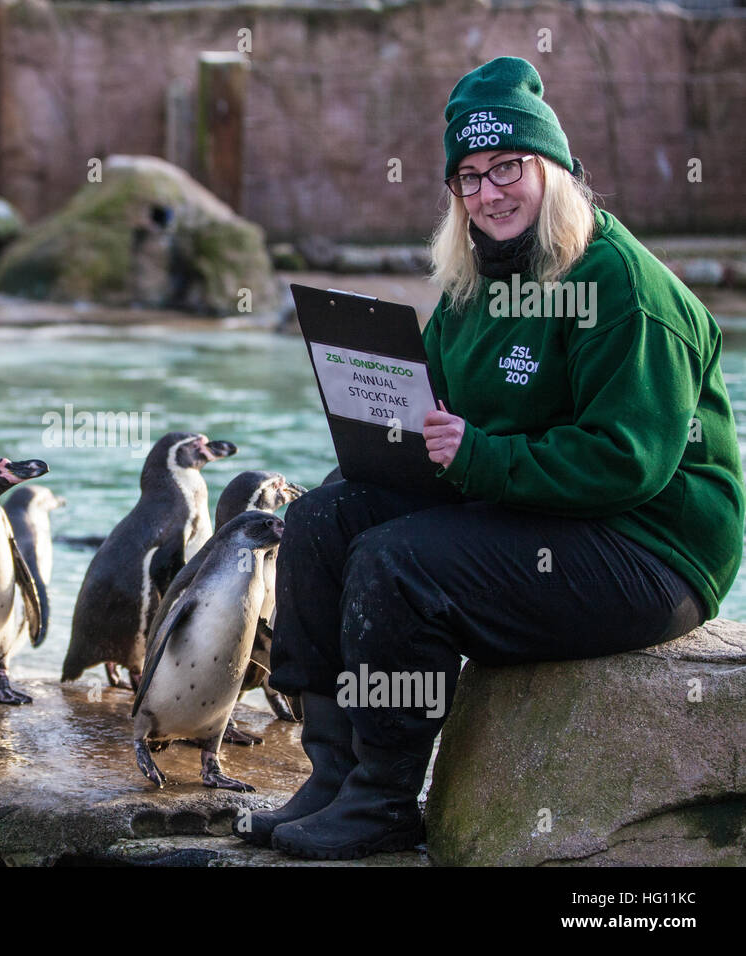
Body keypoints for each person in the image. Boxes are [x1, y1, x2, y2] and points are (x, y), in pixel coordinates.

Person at [237, 56, 745, 860]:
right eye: (468, 177)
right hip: (535, 510)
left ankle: (384, 800)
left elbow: (628, 462)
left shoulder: (624, 290)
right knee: (322, 521)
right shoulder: (477, 280)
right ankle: (332, 774)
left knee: (401, 564)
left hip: (652, 547)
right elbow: (432, 405)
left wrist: (478, 458)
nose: (489, 192)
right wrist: (373, 442)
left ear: (556, 171)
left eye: (509, 166)